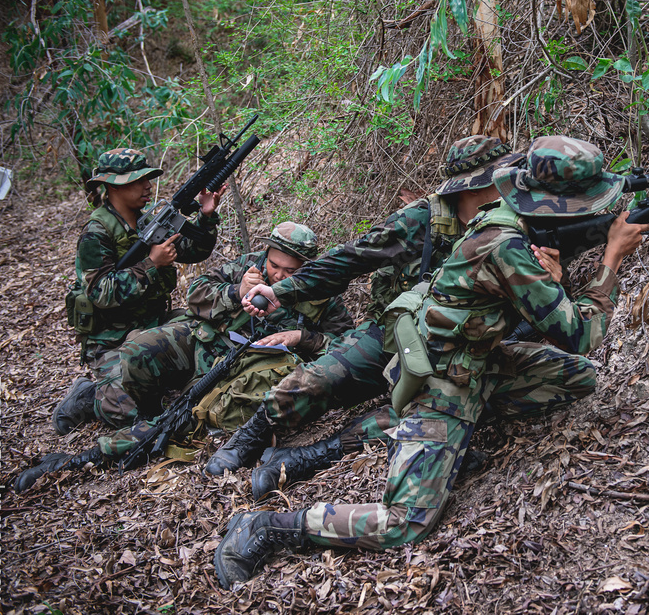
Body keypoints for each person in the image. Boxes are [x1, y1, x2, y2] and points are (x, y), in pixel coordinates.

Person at [213, 135, 649, 589]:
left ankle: (446, 436)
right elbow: (579, 335)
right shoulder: (498, 241)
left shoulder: (508, 223)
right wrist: (611, 261)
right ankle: (266, 528)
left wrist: (556, 280)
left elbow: (541, 318)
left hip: (475, 359)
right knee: (405, 523)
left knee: (576, 378)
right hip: (440, 378)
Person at [202, 136, 527, 477]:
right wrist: (282, 290)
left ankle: (314, 456)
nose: (509, 186)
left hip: (459, 347)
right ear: (474, 186)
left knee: (424, 412)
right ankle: (248, 437)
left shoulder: (514, 222)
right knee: (321, 378)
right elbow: (350, 259)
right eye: (500, 177)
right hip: (394, 333)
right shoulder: (423, 220)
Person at [12, 223, 354, 492]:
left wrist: (303, 338)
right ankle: (96, 399)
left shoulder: (320, 294)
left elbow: (345, 348)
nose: (278, 275)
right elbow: (195, 294)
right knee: (132, 356)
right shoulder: (248, 267)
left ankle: (86, 457)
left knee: (186, 421)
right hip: (202, 341)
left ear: (306, 267)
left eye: (289, 270)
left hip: (242, 368)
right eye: (274, 264)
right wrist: (235, 292)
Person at [53, 148, 224, 435]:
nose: (147, 186)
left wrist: (207, 217)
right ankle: (87, 398)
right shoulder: (97, 233)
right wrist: (151, 264)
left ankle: (159, 375)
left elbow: (194, 251)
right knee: (135, 415)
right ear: (112, 186)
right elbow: (101, 293)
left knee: (210, 338)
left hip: (153, 326)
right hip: (112, 341)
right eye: (137, 180)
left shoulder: (150, 221)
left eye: (148, 179)